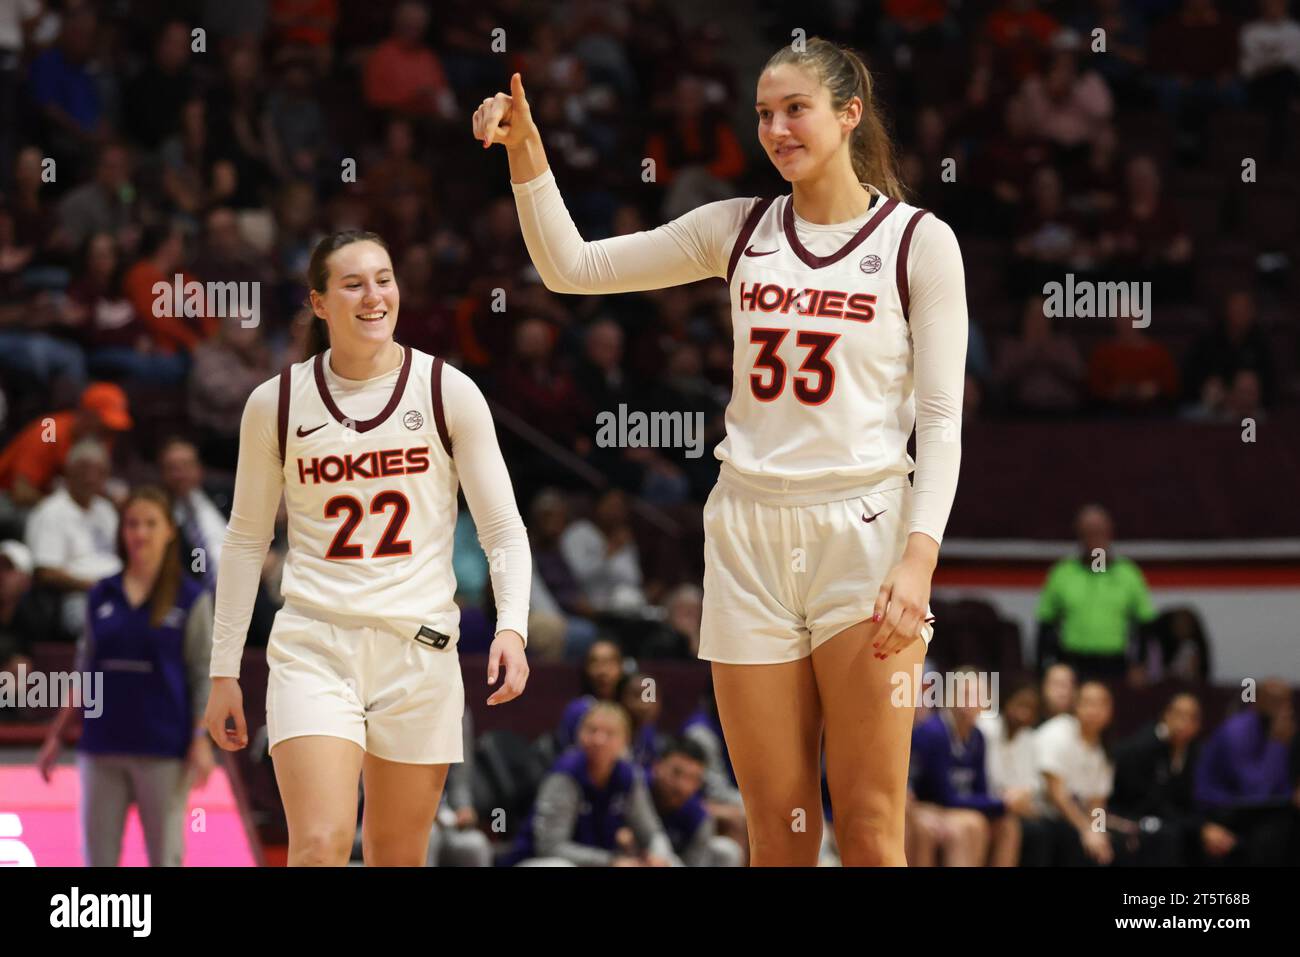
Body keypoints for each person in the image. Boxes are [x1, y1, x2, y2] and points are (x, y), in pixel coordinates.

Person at [476, 34, 966, 865]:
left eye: (796, 110)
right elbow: (572, 266)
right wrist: (526, 152)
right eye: (765, 114)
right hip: (745, 530)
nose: (776, 128)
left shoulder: (921, 243)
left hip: (866, 528)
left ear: (849, 115)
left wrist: (918, 558)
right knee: (778, 829)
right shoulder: (736, 228)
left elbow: (943, 421)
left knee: (874, 824)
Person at [202, 230, 532, 866]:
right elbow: (245, 541)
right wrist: (223, 671)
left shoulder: (447, 391)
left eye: (384, 279)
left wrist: (512, 627)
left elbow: (503, 527)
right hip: (315, 647)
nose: (374, 295)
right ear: (320, 303)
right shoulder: (273, 404)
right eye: (352, 284)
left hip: (420, 652)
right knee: (320, 845)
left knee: (396, 854)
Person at [37, 486, 214, 866]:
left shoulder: (190, 598)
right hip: (102, 745)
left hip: (164, 748)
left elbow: (202, 674)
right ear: (122, 531)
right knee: (97, 859)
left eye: (151, 523)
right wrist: (56, 734)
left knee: (165, 857)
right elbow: (84, 669)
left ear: (170, 531)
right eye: (133, 523)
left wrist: (200, 739)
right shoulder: (101, 593)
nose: (141, 533)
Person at [507, 702, 680, 866]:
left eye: (610, 733)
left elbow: (651, 832)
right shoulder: (565, 774)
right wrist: (610, 861)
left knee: (671, 861)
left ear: (625, 741)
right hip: (538, 861)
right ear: (579, 734)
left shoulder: (629, 776)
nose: (599, 740)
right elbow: (550, 848)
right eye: (591, 730)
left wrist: (658, 856)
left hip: (598, 861)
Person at [1036, 504, 1158, 680]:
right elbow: (1046, 625)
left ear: (1110, 533)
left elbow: (1145, 625)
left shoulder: (1127, 573)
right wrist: (1043, 668)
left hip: (1114, 664)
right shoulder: (1062, 573)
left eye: (1099, 531)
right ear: (1078, 535)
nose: (1094, 538)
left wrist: (1140, 664)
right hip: (1073, 662)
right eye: (1088, 532)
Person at [1034, 680, 1116, 866]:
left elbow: (1098, 801)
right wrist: (1087, 830)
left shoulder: (1102, 750)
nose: (1094, 710)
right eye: (1088, 703)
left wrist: (1098, 830)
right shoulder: (1056, 732)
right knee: (1074, 839)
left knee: (1113, 843)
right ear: (1075, 706)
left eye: (1100, 704)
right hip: (1045, 812)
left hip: (1075, 817)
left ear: (1110, 711)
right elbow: (1057, 795)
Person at [649, 738, 743, 867]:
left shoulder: (700, 816)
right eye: (676, 773)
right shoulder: (637, 789)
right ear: (657, 766)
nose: (681, 786)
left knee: (727, 850)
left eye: (692, 778)